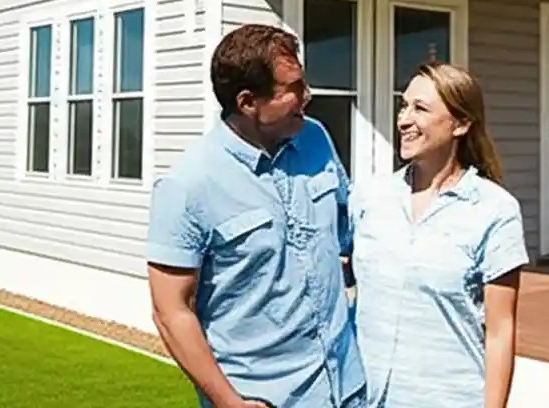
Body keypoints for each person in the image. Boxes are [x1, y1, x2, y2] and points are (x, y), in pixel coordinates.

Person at [145, 23, 365, 408]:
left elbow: (352, 238)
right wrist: (230, 403)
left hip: (347, 389)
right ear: (248, 102)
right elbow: (170, 311)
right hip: (266, 398)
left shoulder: (316, 138)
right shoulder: (188, 184)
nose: (307, 97)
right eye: (293, 88)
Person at [350, 61, 528, 407]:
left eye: (420, 108)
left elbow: (500, 332)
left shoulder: (494, 210)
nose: (403, 119)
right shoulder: (369, 198)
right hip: (365, 398)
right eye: (404, 105)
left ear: (461, 123)